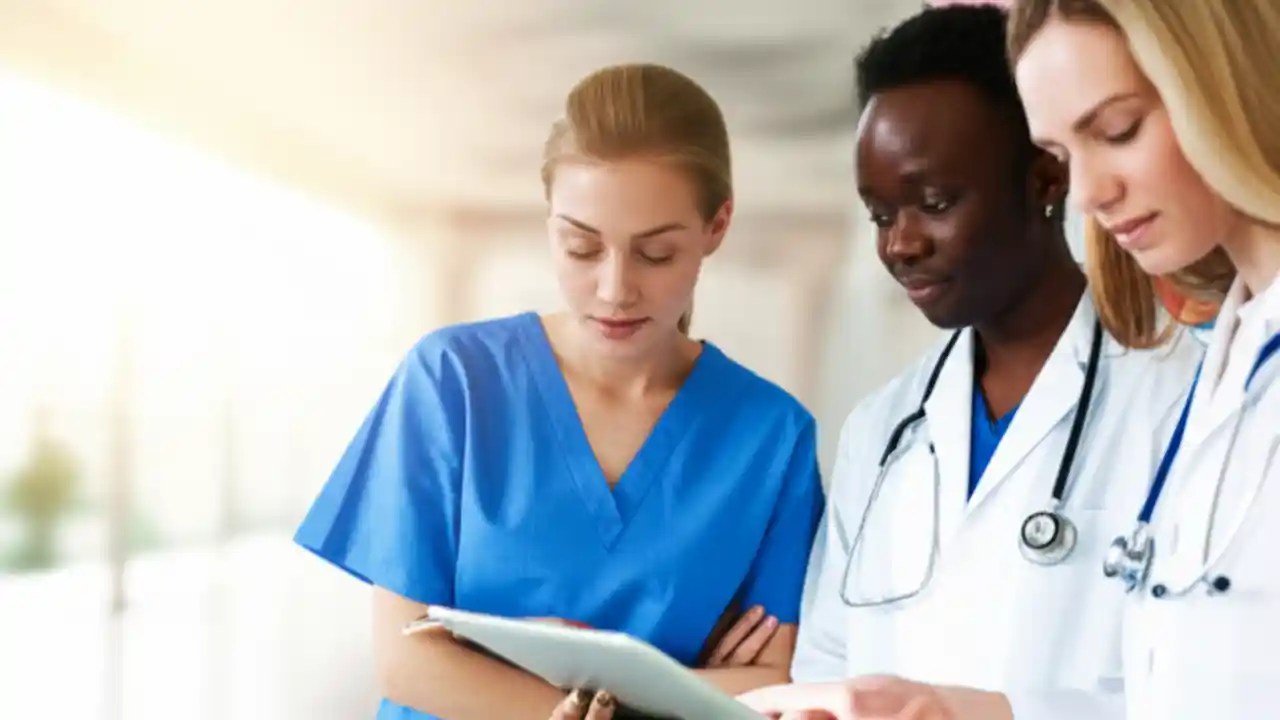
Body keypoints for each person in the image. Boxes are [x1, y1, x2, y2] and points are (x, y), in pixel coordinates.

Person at [293, 62, 824, 720]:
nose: (614, 289)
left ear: (717, 226)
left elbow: (771, 686)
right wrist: (665, 685)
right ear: (549, 220)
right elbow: (408, 664)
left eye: (655, 253)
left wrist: (496, 665)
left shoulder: (771, 437)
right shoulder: (453, 382)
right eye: (581, 246)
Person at [731, 6, 1201, 720]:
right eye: (881, 215)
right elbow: (829, 667)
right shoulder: (880, 433)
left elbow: (1216, 682)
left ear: (1047, 177)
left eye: (935, 202)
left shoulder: (1182, 397)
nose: (901, 245)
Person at [1009, 2, 1280, 718]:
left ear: (1225, 83)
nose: (1090, 194)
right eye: (1062, 159)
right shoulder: (1234, 354)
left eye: (1118, 131)